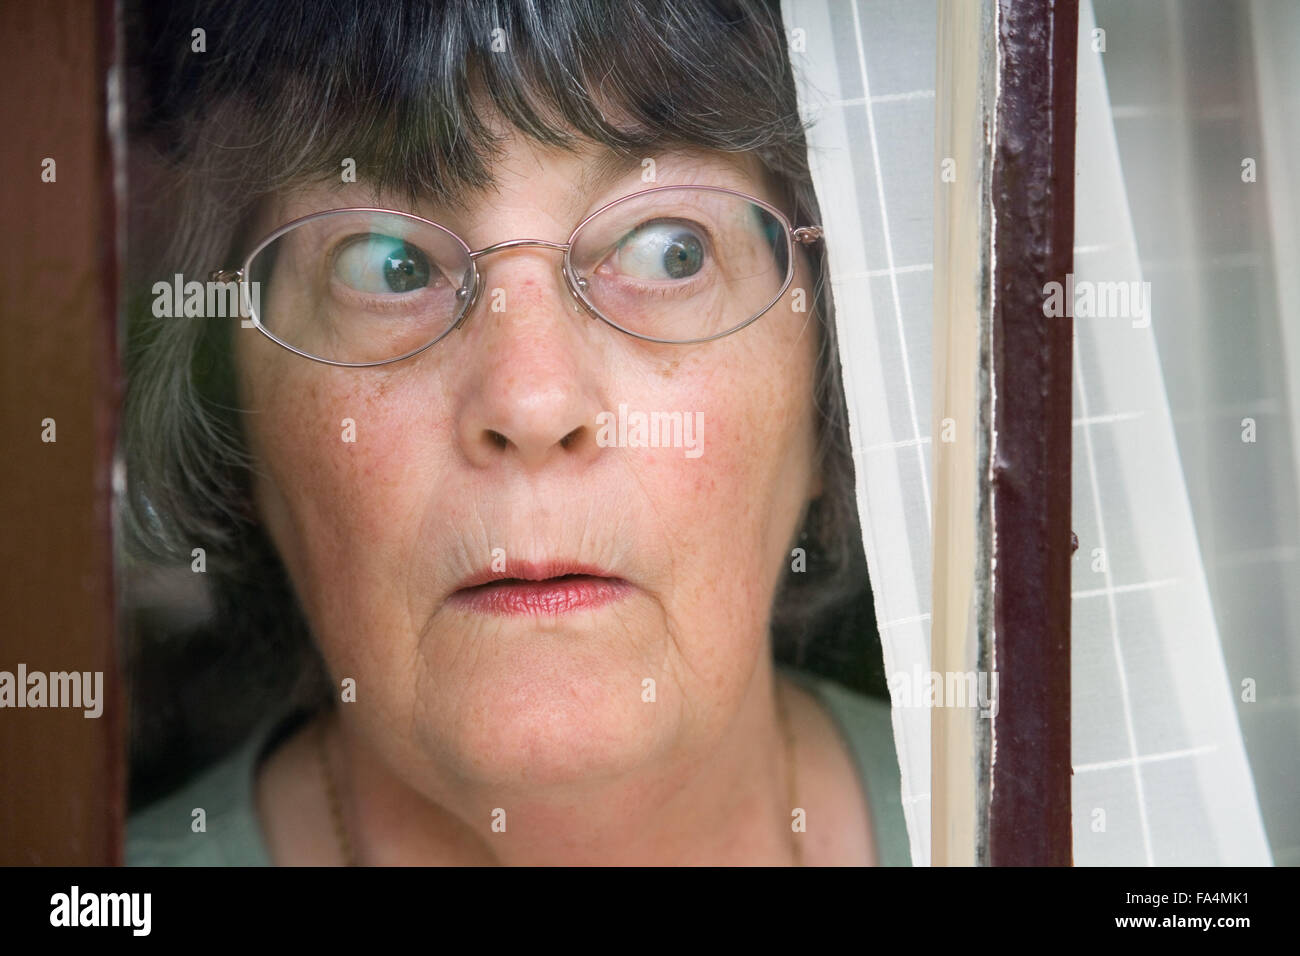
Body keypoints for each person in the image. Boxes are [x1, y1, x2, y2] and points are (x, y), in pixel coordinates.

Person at [122, 0, 908, 866]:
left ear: (836, 382)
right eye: (389, 264)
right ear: (243, 430)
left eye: (669, 250)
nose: (532, 403)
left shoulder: (1039, 826)